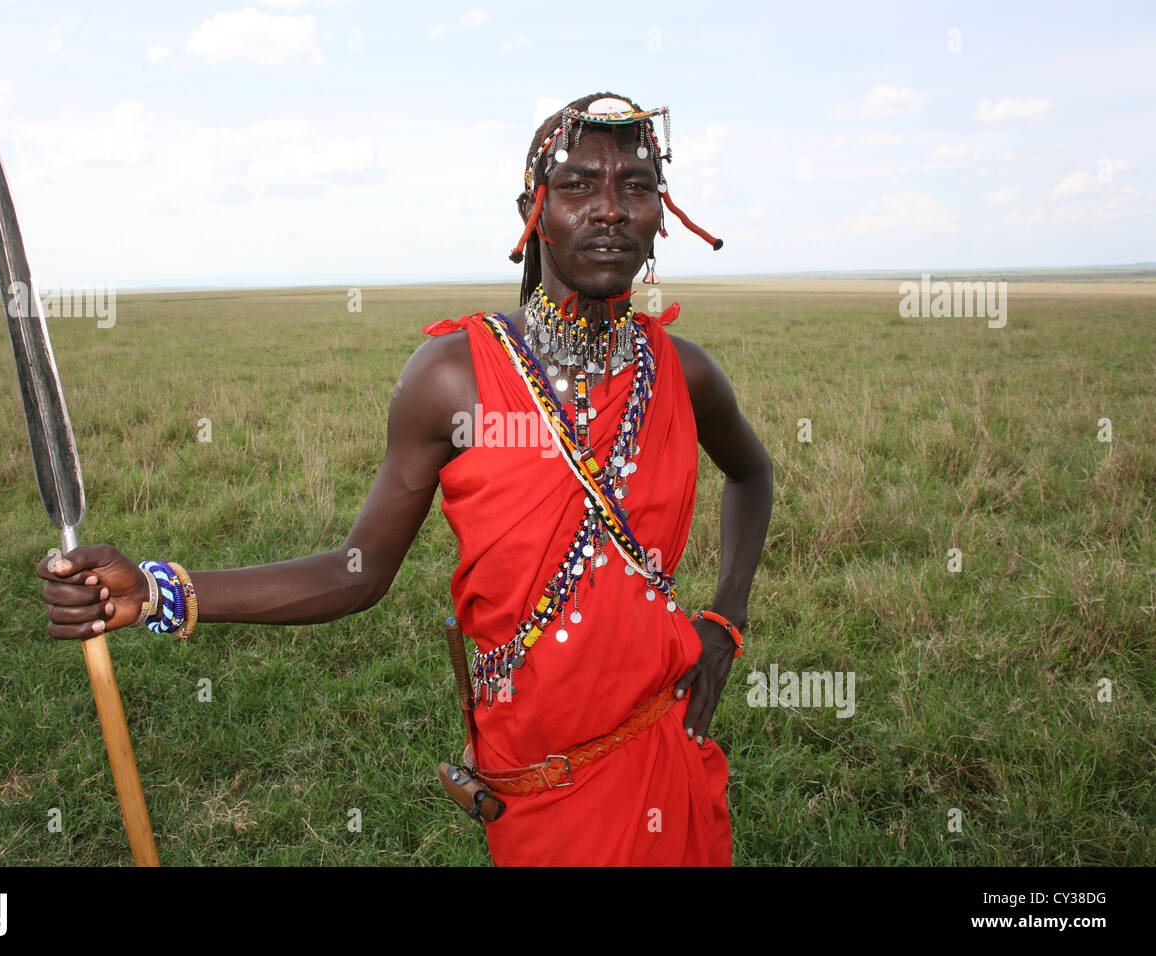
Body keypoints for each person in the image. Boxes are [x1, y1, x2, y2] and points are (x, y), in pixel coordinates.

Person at [38, 92, 773, 866]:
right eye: (580, 184)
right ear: (533, 210)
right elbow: (356, 573)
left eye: (636, 185)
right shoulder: (455, 377)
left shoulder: (682, 373)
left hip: (663, 758)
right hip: (539, 789)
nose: (611, 209)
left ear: (664, 212)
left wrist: (725, 620)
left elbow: (751, 472)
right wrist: (159, 591)